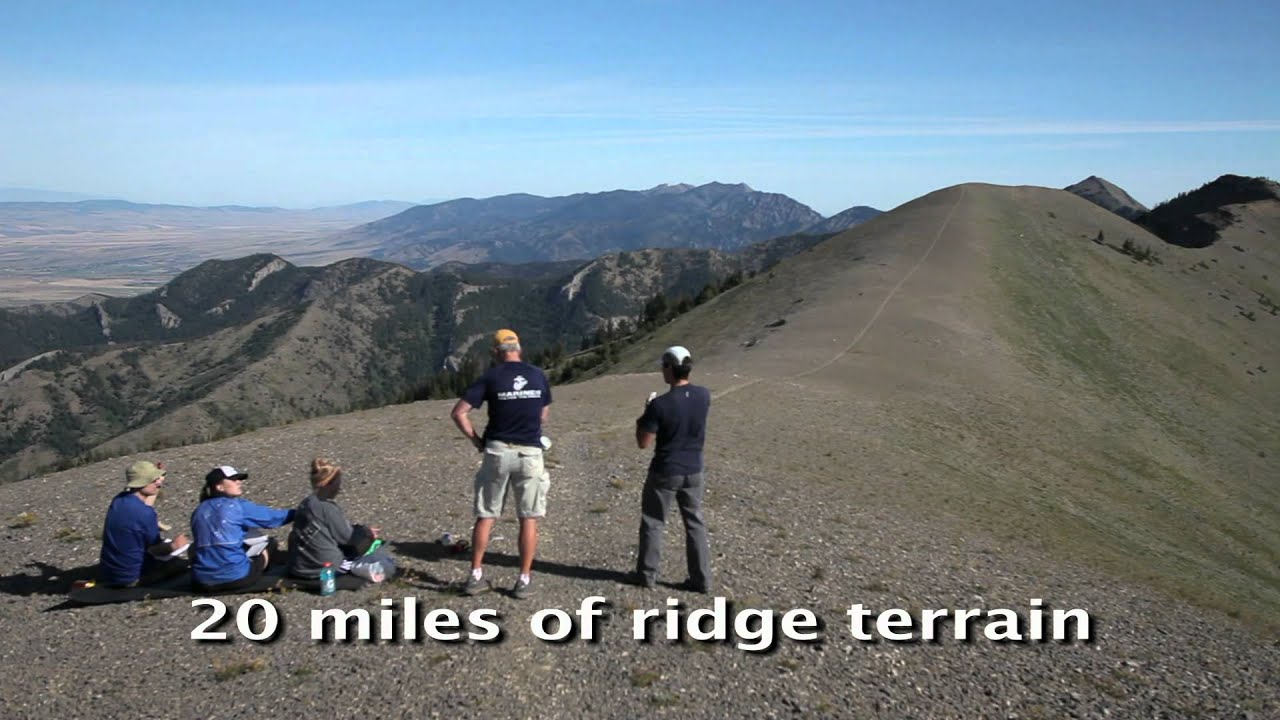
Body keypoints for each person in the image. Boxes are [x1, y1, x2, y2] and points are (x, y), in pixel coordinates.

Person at [450, 328, 552, 599]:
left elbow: (459, 413)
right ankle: (523, 579)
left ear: (496, 352)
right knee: (528, 518)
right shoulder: (538, 375)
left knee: (486, 514)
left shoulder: (490, 376)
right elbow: (543, 416)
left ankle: (475, 576)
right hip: (530, 453)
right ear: (519, 349)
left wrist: (477, 441)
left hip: (497, 451)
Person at [633, 345, 712, 592]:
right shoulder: (704, 395)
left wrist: (646, 413)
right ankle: (702, 580)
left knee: (654, 521)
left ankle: (647, 575)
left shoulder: (660, 405)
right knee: (694, 523)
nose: (661, 371)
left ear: (670, 368)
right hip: (694, 470)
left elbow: (643, 442)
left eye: (663, 366)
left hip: (666, 470)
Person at [288, 458, 395, 582]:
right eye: (338, 482)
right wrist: (367, 533)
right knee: (367, 548)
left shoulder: (306, 503)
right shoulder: (327, 507)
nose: (340, 487)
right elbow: (348, 538)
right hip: (323, 568)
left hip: (298, 566)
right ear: (328, 484)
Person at [190, 465, 294, 593]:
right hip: (237, 578)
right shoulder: (237, 506)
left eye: (238, 479)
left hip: (202, 582)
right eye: (233, 479)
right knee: (269, 545)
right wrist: (300, 512)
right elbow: (272, 519)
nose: (239, 482)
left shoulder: (198, 511)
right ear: (219, 487)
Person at [97, 460, 190, 587]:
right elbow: (155, 550)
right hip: (132, 577)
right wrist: (174, 546)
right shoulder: (145, 514)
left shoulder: (119, 500)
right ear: (141, 483)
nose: (159, 483)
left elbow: (145, 502)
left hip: (109, 573)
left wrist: (158, 477)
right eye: (153, 480)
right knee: (185, 564)